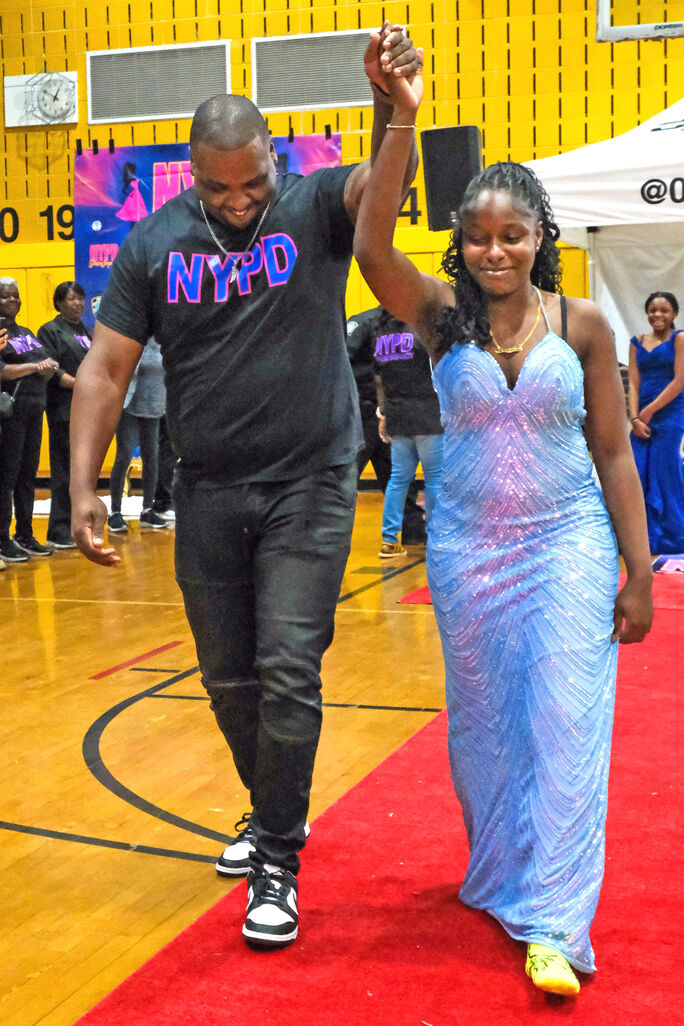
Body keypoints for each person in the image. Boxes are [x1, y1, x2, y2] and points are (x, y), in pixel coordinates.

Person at [69, 23, 419, 950]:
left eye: (253, 183)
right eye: (219, 188)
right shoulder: (151, 244)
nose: (238, 202)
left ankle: (276, 857)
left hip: (312, 477)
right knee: (227, 678)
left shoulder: (314, 207)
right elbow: (104, 371)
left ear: (275, 157)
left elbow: (379, 205)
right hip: (210, 486)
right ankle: (272, 810)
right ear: (192, 175)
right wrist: (83, 486)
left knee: (286, 665)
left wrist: (397, 114)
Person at [353, 62, 654, 996]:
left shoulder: (585, 326)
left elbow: (611, 453)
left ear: (540, 238)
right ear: (461, 242)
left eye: (512, 235)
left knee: (566, 724)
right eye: (478, 237)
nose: (494, 252)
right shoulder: (442, 322)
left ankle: (558, 921)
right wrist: (395, 116)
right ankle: (503, 874)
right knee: (484, 731)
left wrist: (637, 571)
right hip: (469, 554)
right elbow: (369, 248)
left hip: (569, 544)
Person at [346, 307, 427, 545]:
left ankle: (413, 529)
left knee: (399, 474)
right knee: (347, 476)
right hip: (359, 412)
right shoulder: (363, 323)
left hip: (388, 412)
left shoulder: (406, 324)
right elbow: (342, 358)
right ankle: (331, 536)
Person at [371, 307, 443, 557]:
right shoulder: (421, 331)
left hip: (398, 416)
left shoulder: (381, 335)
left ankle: (389, 540)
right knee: (434, 480)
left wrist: (384, 414)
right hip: (428, 416)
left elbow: (379, 381)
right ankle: (435, 536)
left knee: (398, 480)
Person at [0, 277, 59, 563]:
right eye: (6, 296)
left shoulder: (26, 332)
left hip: (35, 410)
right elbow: (3, 371)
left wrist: (47, 368)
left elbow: (44, 362)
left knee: (28, 476)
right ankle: (2, 538)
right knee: (7, 477)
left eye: (16, 295)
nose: (13, 300)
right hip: (10, 414)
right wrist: (35, 366)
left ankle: (24, 533)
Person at [37, 281, 92, 549]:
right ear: (59, 303)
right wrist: (80, 384)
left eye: (80, 299)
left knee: (82, 472)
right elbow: (52, 371)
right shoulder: (50, 330)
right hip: (63, 409)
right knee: (64, 470)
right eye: (71, 299)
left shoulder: (86, 331)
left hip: (87, 410)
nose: (77, 304)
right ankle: (58, 530)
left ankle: (78, 525)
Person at [628, 291, 684, 554]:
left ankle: (672, 537)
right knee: (637, 472)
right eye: (652, 310)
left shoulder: (679, 338)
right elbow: (634, 382)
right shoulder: (636, 342)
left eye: (663, 310)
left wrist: (648, 411)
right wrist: (634, 417)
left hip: (670, 415)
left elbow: (679, 381)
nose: (657, 315)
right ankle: (643, 538)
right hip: (641, 419)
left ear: (674, 313)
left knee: (664, 471)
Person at [107, 337, 168, 533]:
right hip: (128, 405)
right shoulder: (132, 337)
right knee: (123, 456)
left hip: (154, 406)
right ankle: (115, 512)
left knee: (152, 459)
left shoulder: (163, 341)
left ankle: (147, 510)